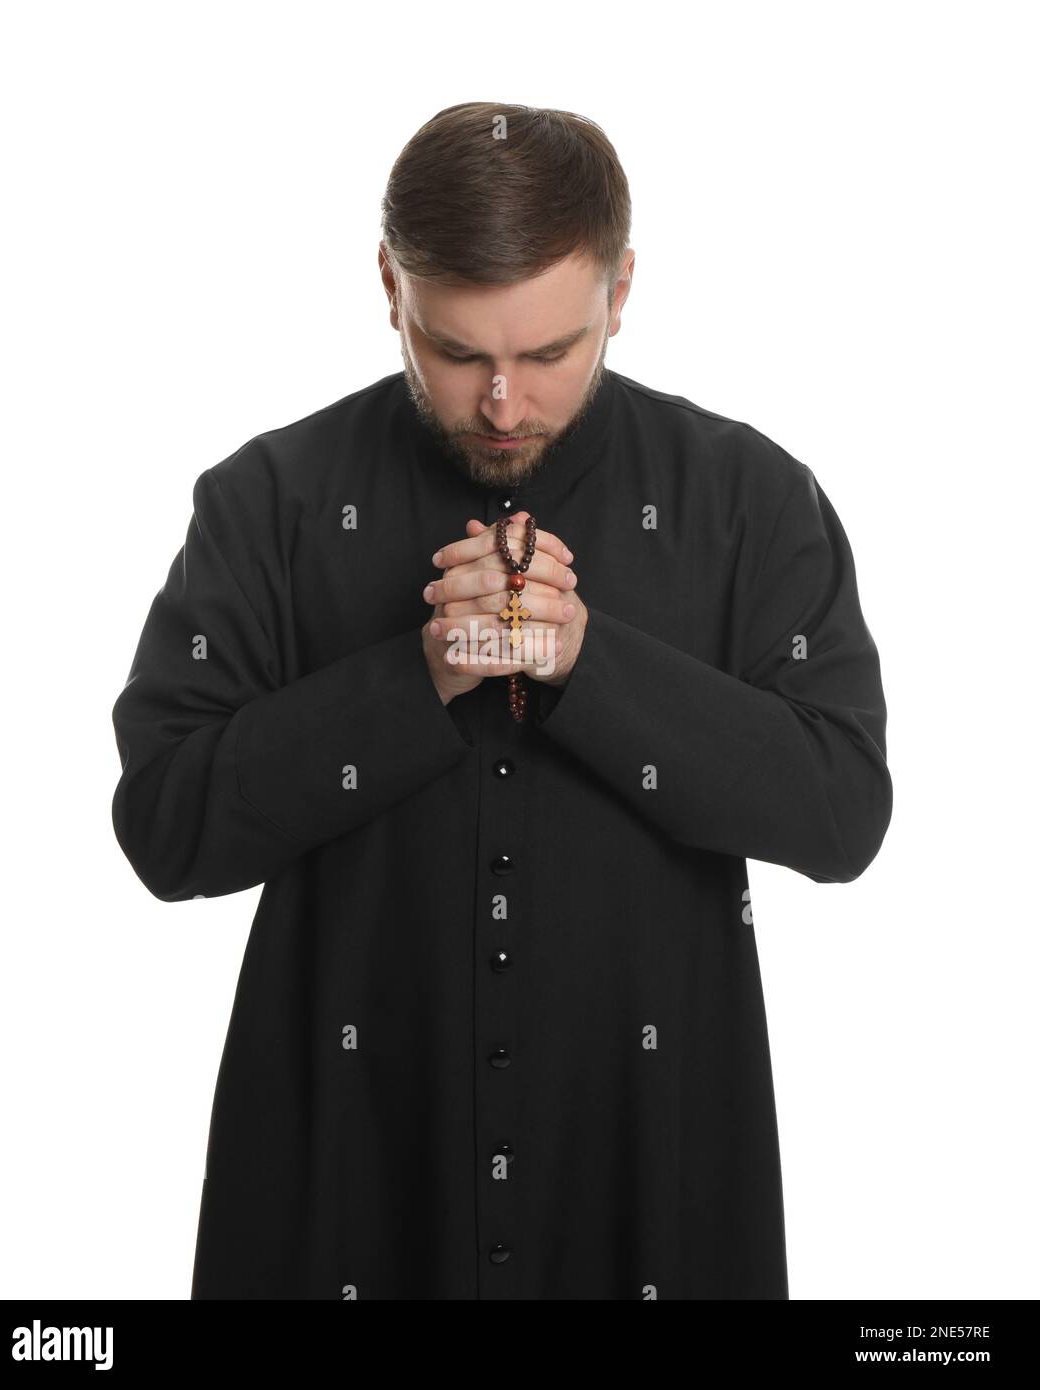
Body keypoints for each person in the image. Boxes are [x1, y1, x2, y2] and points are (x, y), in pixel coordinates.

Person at [110, 101, 892, 1300]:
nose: (501, 403)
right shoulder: (269, 499)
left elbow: (841, 814)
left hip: (648, 1177)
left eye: (547, 353)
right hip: (347, 1177)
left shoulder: (749, 499)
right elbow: (166, 826)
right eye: (457, 351)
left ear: (621, 289)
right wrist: (417, 676)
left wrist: (590, 665)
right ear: (389, 285)